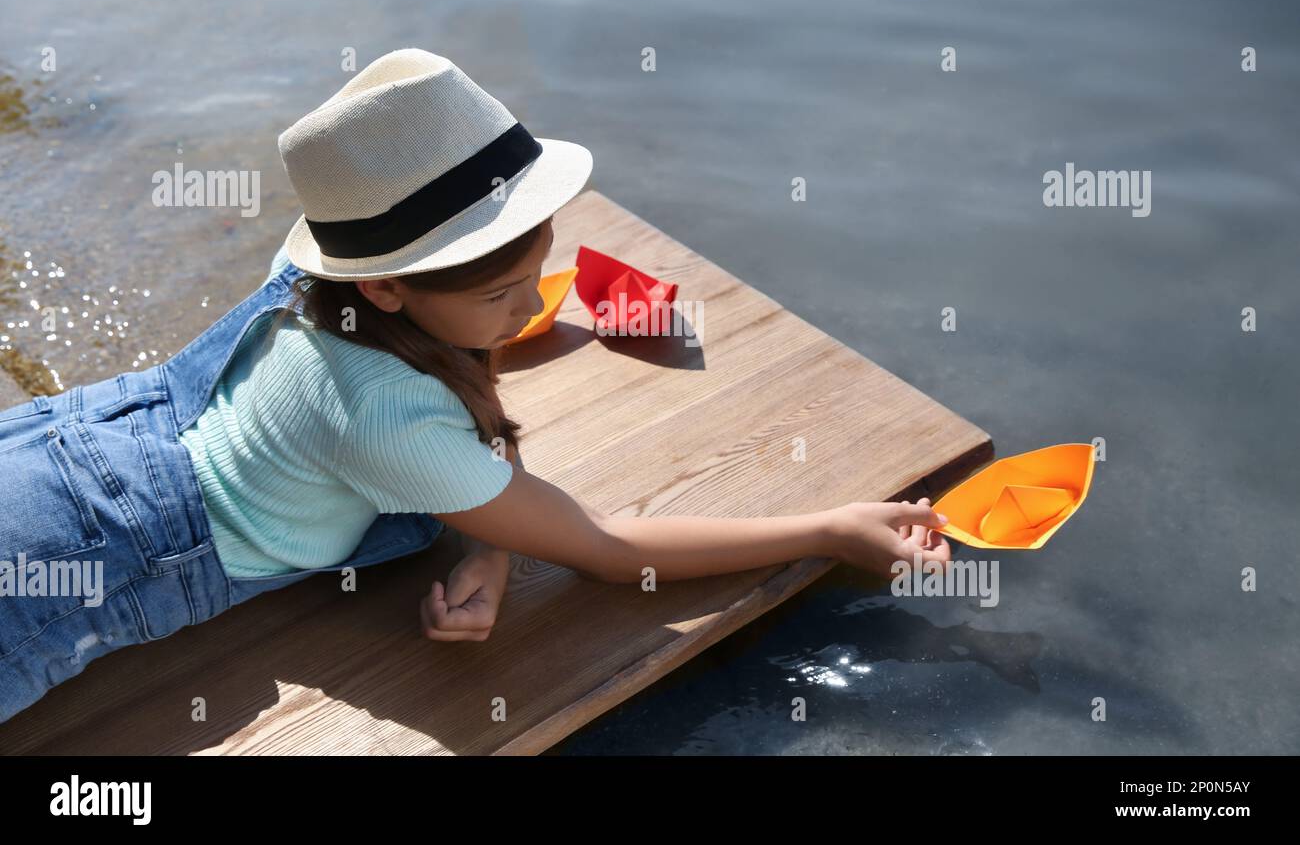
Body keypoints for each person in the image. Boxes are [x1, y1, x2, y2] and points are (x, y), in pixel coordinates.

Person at [0, 48, 949, 725]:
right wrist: (830, 529)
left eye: (537, 273)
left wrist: (487, 548)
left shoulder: (314, 292)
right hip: (84, 562)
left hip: (76, 446)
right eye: (502, 293)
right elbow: (608, 550)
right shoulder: (388, 417)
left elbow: (459, 409)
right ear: (386, 285)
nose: (534, 307)